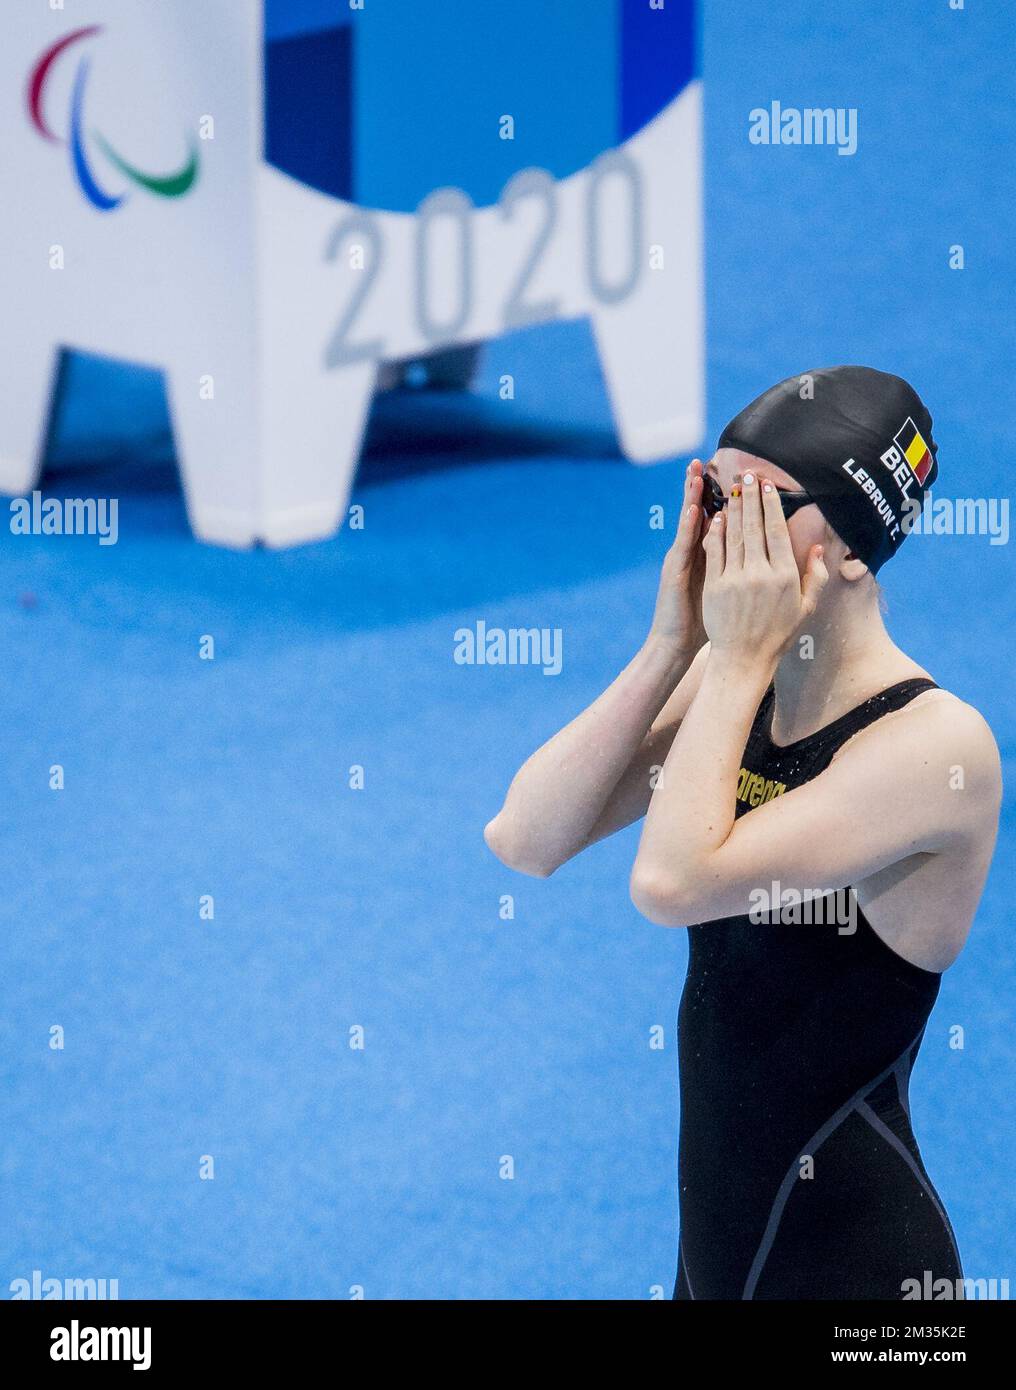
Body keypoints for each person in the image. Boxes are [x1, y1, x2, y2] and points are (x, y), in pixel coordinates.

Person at [484, 367, 1001, 1300]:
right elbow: (527, 835)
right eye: (715, 494)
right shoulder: (741, 682)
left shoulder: (936, 746)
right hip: (714, 1267)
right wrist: (670, 646)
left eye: (761, 505)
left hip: (864, 1277)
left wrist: (731, 662)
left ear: (850, 545)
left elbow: (672, 883)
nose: (726, 529)